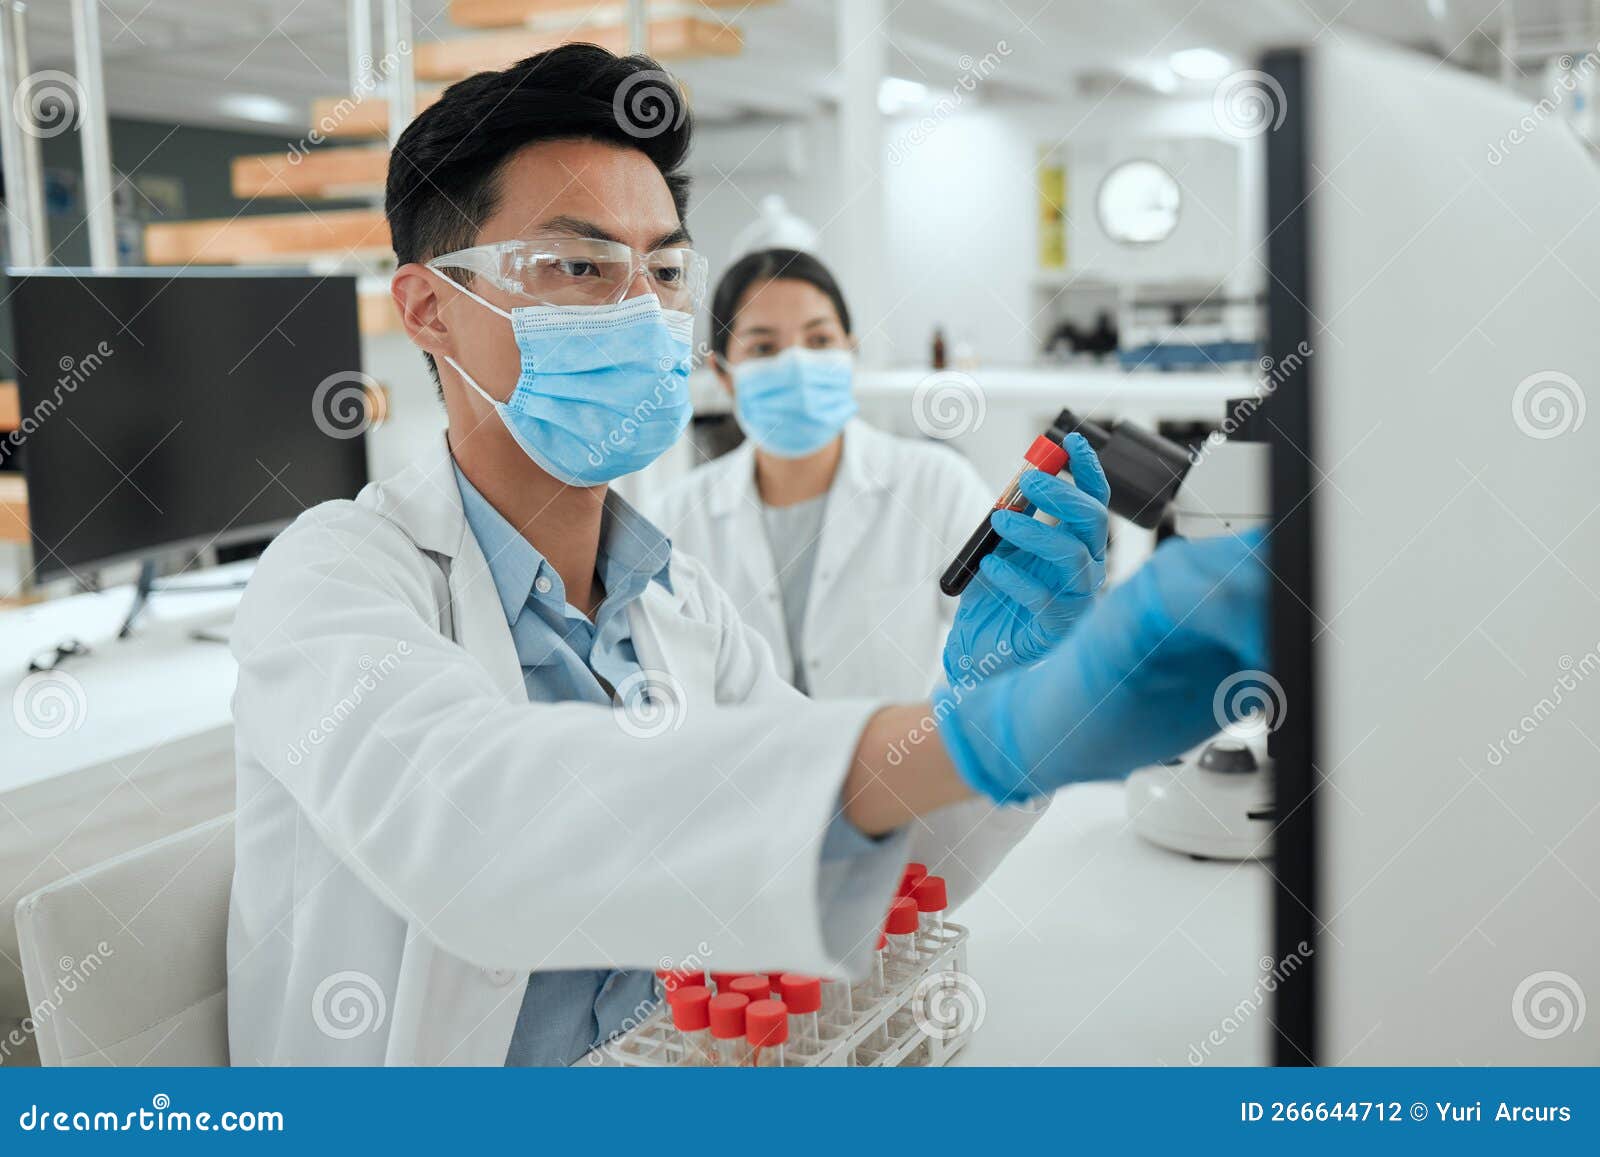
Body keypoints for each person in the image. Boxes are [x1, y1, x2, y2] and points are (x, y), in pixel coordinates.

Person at [225, 44, 1268, 1066]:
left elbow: (845, 874)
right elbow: (478, 835)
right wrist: (982, 735)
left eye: (664, 269)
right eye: (579, 266)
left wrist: (994, 704)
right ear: (428, 309)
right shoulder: (331, 578)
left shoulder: (679, 603)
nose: (643, 311)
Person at [647, 248, 1111, 700]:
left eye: (819, 340)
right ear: (722, 373)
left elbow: (1011, 674)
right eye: (764, 347)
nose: (798, 365)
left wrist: (1023, 651)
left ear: (850, 352)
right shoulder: (676, 518)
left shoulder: (937, 484)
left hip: (903, 752)